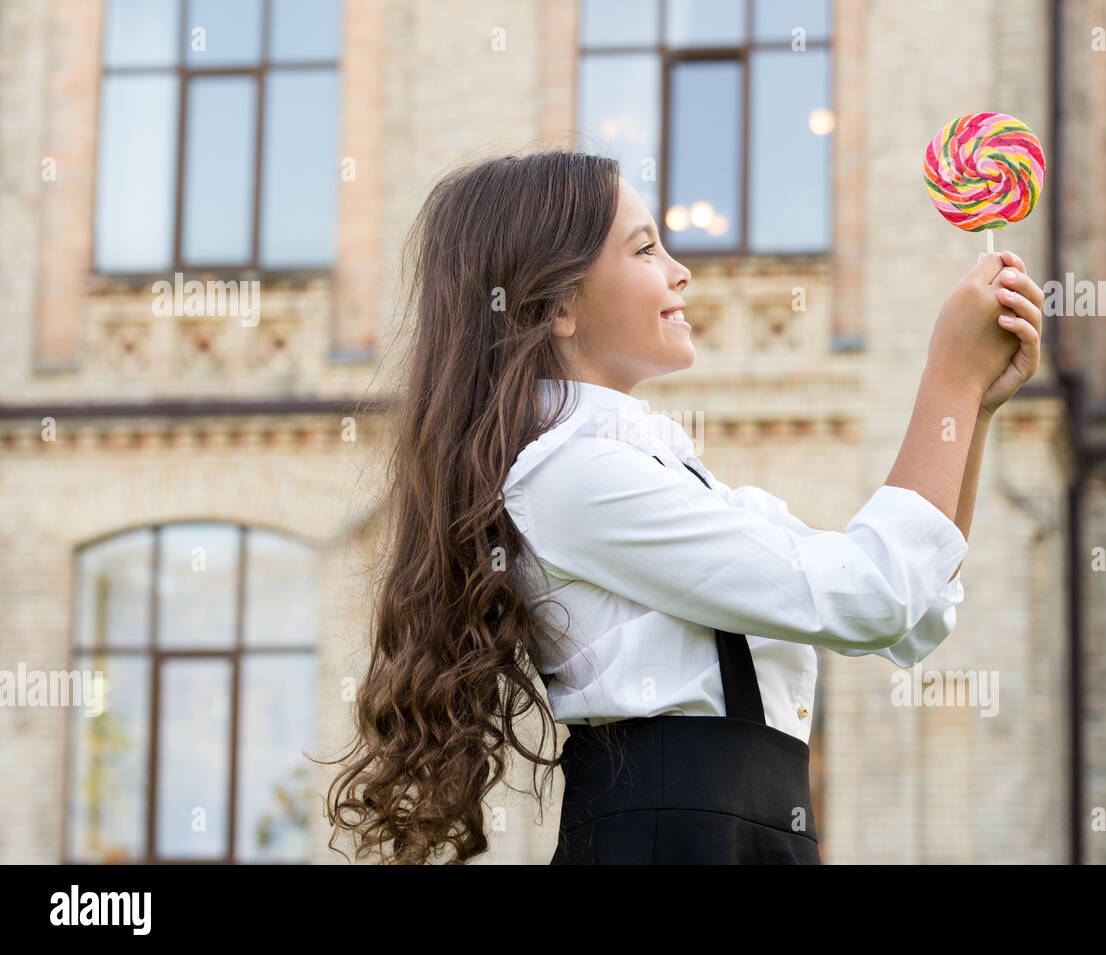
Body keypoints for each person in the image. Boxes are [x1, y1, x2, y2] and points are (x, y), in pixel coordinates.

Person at [319, 148, 1044, 865]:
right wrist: (945, 378)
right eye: (644, 248)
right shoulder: (571, 475)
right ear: (556, 305)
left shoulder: (660, 469)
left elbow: (911, 616)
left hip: (753, 827)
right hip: (670, 834)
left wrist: (972, 409)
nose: (681, 270)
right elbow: (872, 594)